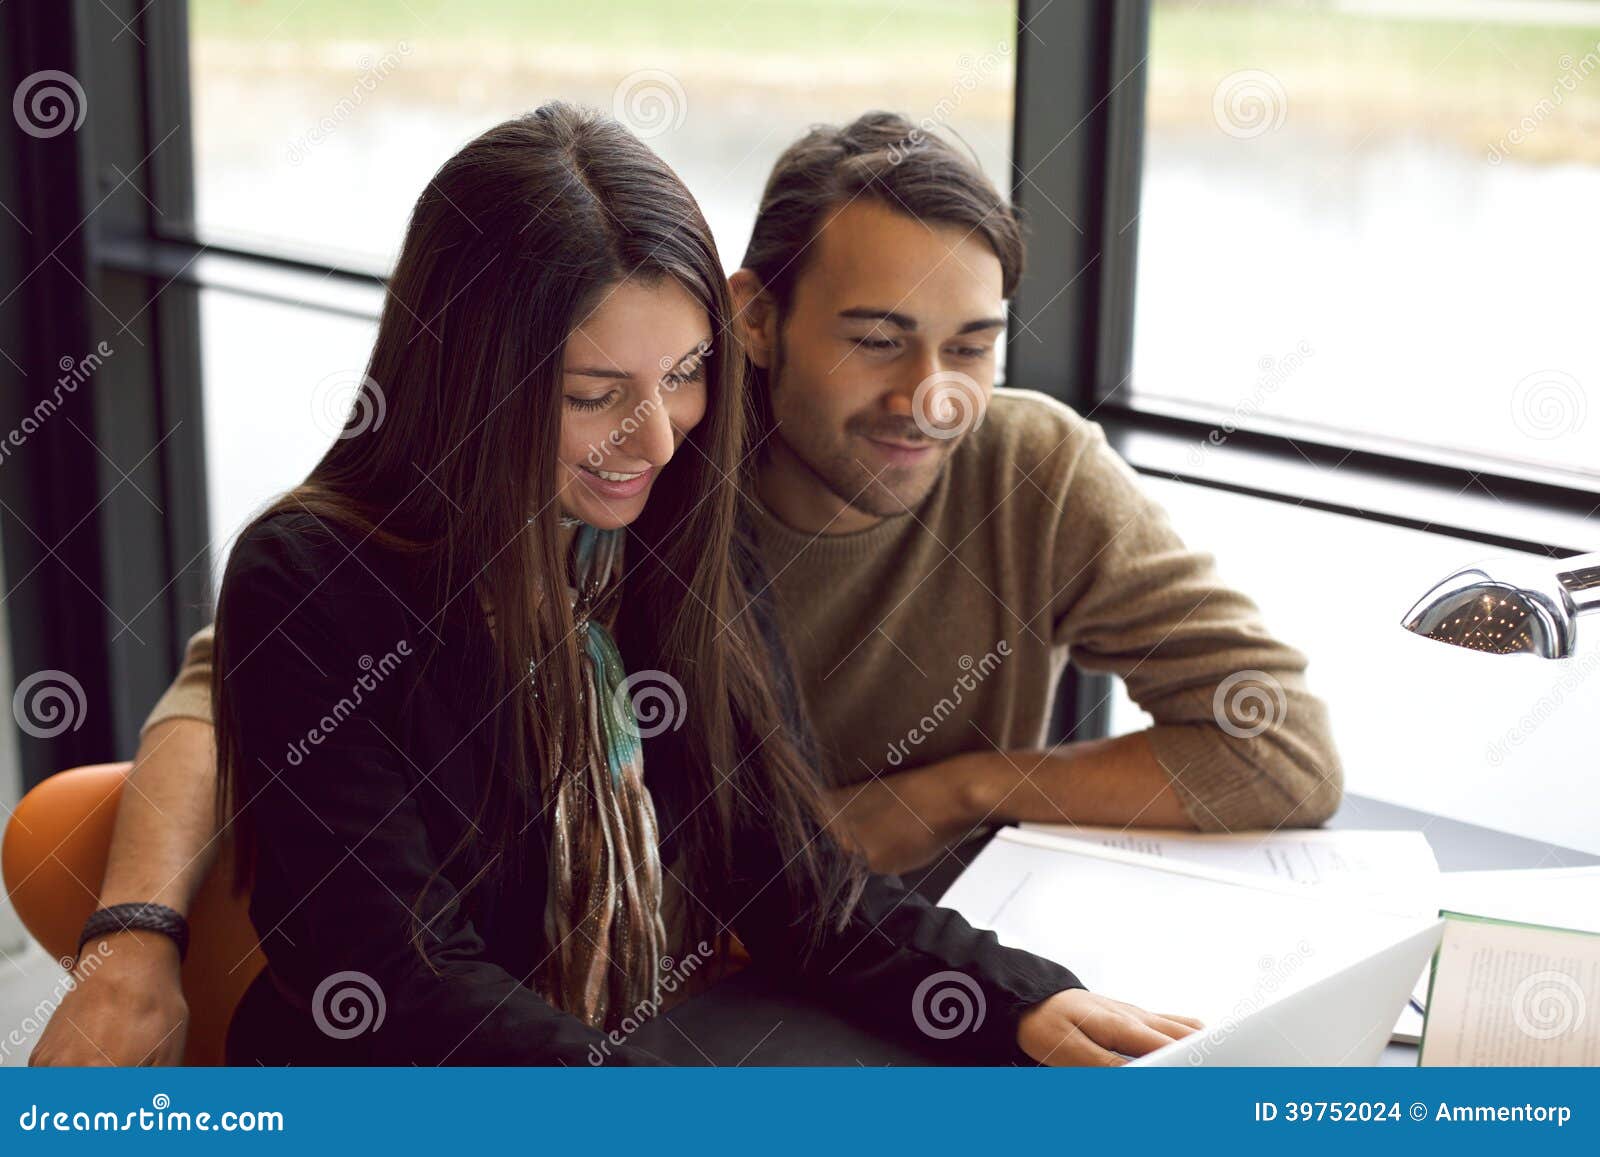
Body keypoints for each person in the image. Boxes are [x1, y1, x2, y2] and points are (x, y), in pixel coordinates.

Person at [31, 110, 1333, 1066]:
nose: (656, 439)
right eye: (597, 394)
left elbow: (781, 863)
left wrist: (1016, 996)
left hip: (634, 1038)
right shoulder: (321, 575)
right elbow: (395, 976)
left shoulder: (666, 523)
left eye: (685, 376)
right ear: (474, 376)